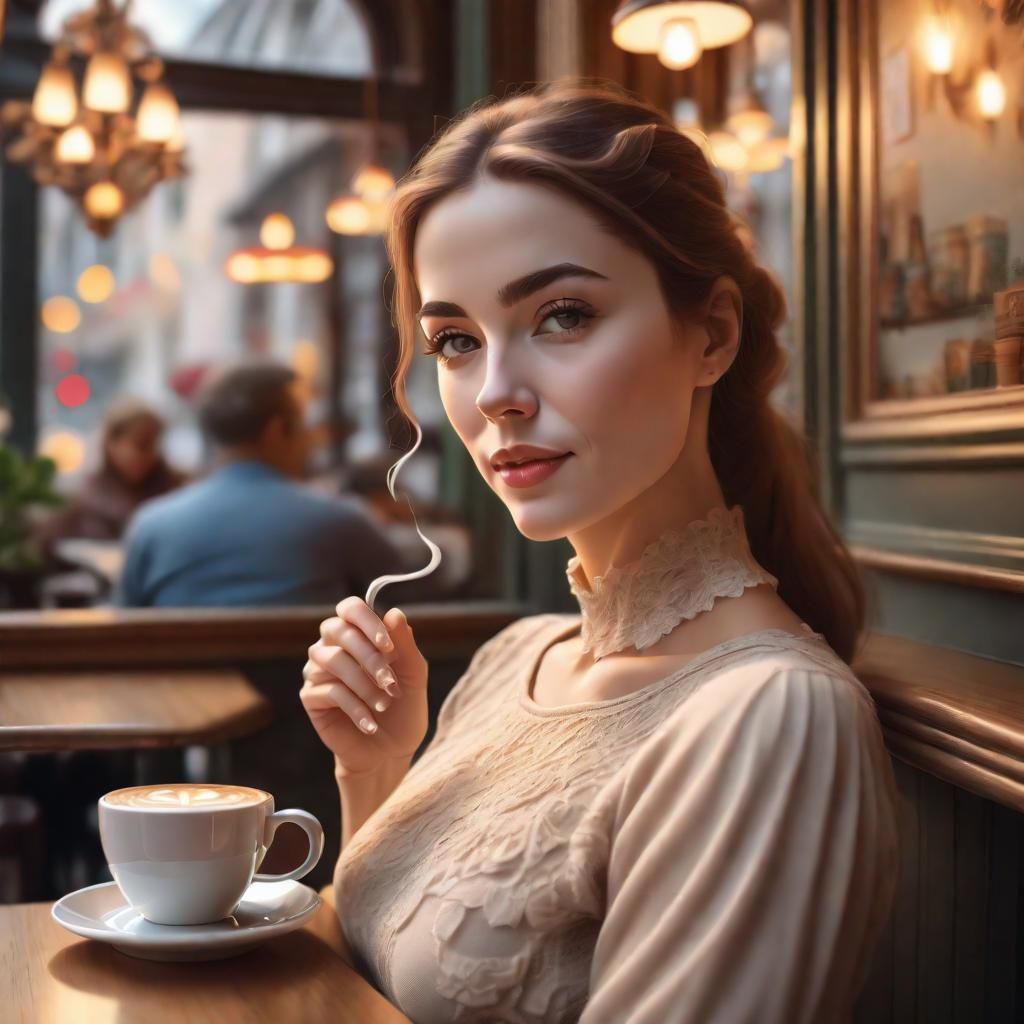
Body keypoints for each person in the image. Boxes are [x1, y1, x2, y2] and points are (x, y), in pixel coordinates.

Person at [300, 82, 899, 1023]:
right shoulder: (512, 661)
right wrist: (374, 771)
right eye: (455, 340)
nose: (495, 392)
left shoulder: (773, 718)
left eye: (562, 315)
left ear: (712, 334)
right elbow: (367, 978)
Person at [119, 361, 405, 607]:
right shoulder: (342, 519)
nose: (310, 439)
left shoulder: (150, 526)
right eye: (303, 423)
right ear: (276, 431)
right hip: (305, 672)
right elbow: (404, 596)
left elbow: (123, 621)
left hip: (182, 673)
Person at [38, 399, 183, 546]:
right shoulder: (82, 496)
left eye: (154, 446)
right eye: (141, 445)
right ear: (111, 443)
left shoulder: (174, 492)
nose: (149, 455)